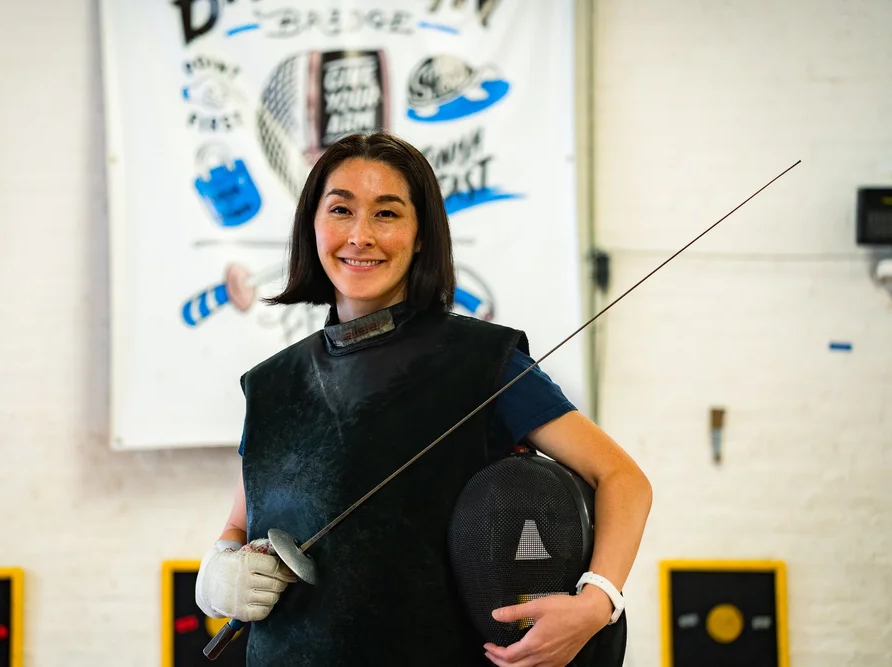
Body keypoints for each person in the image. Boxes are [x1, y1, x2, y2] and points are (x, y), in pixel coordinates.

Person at [194, 132, 652, 666]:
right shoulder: (273, 384)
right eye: (341, 210)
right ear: (312, 226)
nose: (360, 236)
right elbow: (241, 524)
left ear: (420, 237)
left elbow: (622, 478)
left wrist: (598, 602)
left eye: (386, 214)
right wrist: (218, 572)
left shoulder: (482, 361)